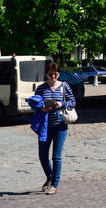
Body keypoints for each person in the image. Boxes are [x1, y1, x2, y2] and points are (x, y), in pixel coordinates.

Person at [31, 61, 76, 194]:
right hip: (44, 126)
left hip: (60, 125)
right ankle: (50, 177)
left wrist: (61, 104)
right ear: (46, 74)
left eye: (56, 74)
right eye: (50, 75)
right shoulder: (41, 88)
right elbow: (34, 105)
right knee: (43, 156)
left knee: (56, 157)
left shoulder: (64, 86)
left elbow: (73, 102)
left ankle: (54, 185)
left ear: (59, 74)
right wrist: (40, 107)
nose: (53, 77)